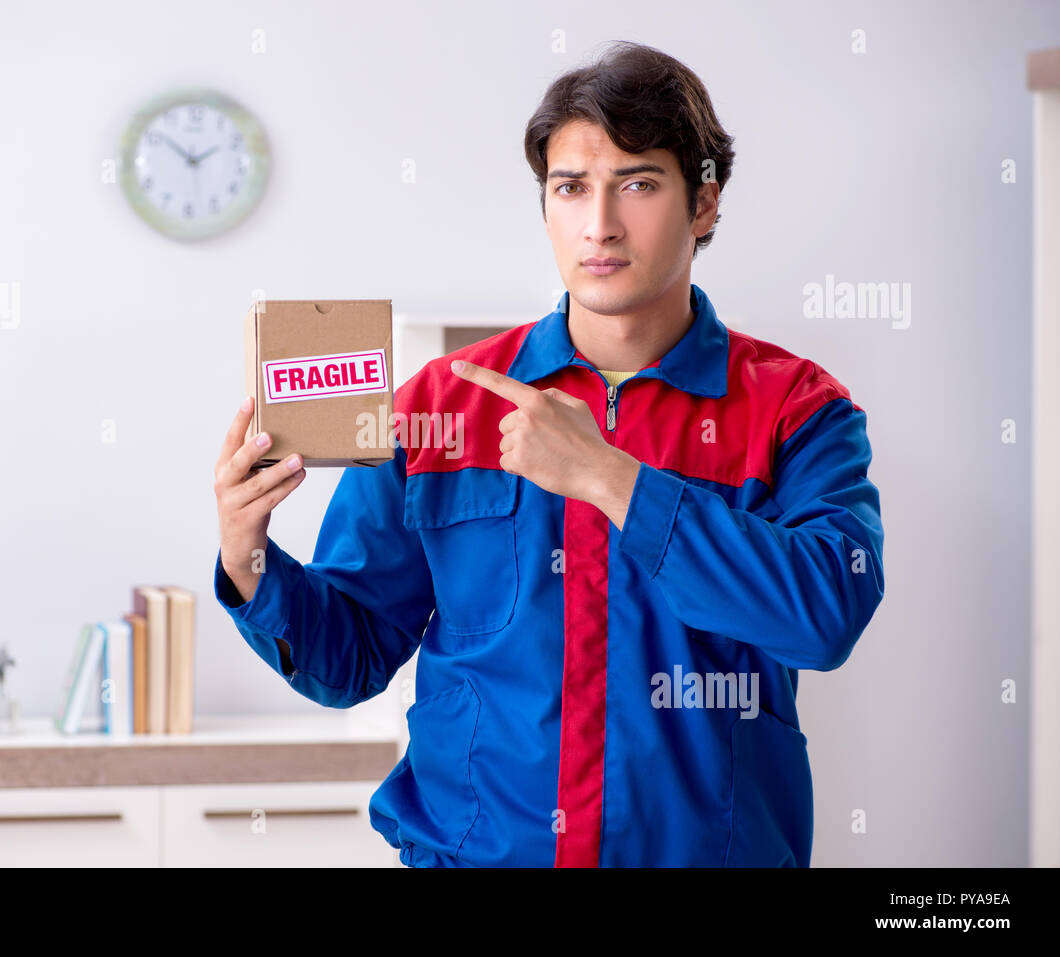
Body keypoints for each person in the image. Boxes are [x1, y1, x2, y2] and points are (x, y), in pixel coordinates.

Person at [212, 40, 884, 867]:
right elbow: (349, 657)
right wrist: (248, 559)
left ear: (704, 204)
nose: (600, 223)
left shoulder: (797, 407)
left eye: (638, 184)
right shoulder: (436, 405)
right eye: (570, 188)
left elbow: (826, 615)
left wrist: (612, 479)